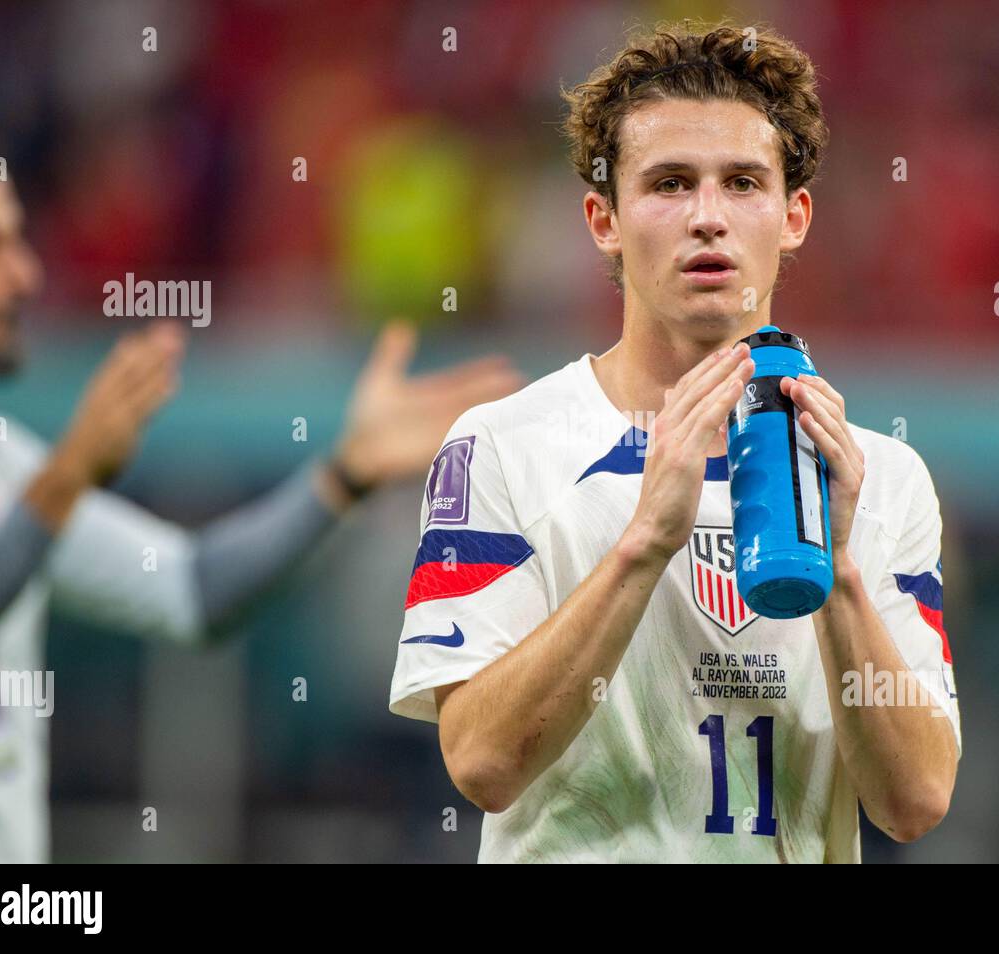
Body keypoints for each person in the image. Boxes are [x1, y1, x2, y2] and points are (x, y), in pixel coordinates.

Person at [390, 21, 960, 862]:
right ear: (603, 219)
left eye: (742, 183)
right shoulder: (504, 446)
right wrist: (643, 544)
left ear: (793, 215)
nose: (707, 218)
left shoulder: (883, 478)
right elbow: (481, 763)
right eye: (667, 184)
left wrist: (837, 573)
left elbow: (914, 803)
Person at [0, 125, 523, 862]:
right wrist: (67, 478)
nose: (24, 275)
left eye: (17, 240)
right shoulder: (42, 480)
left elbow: (193, 591)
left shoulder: (0, 463)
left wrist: (342, 475)